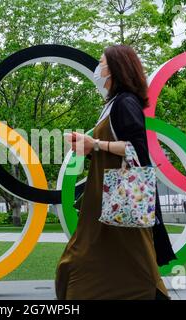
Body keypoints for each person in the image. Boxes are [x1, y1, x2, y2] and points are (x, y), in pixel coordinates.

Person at [56, 45, 175, 300]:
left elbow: (138, 151)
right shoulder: (111, 104)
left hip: (120, 203)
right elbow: (114, 149)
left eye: (102, 63)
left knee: (88, 262)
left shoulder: (125, 103)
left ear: (115, 69)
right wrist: (88, 147)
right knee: (90, 262)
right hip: (104, 203)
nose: (98, 69)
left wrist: (95, 144)